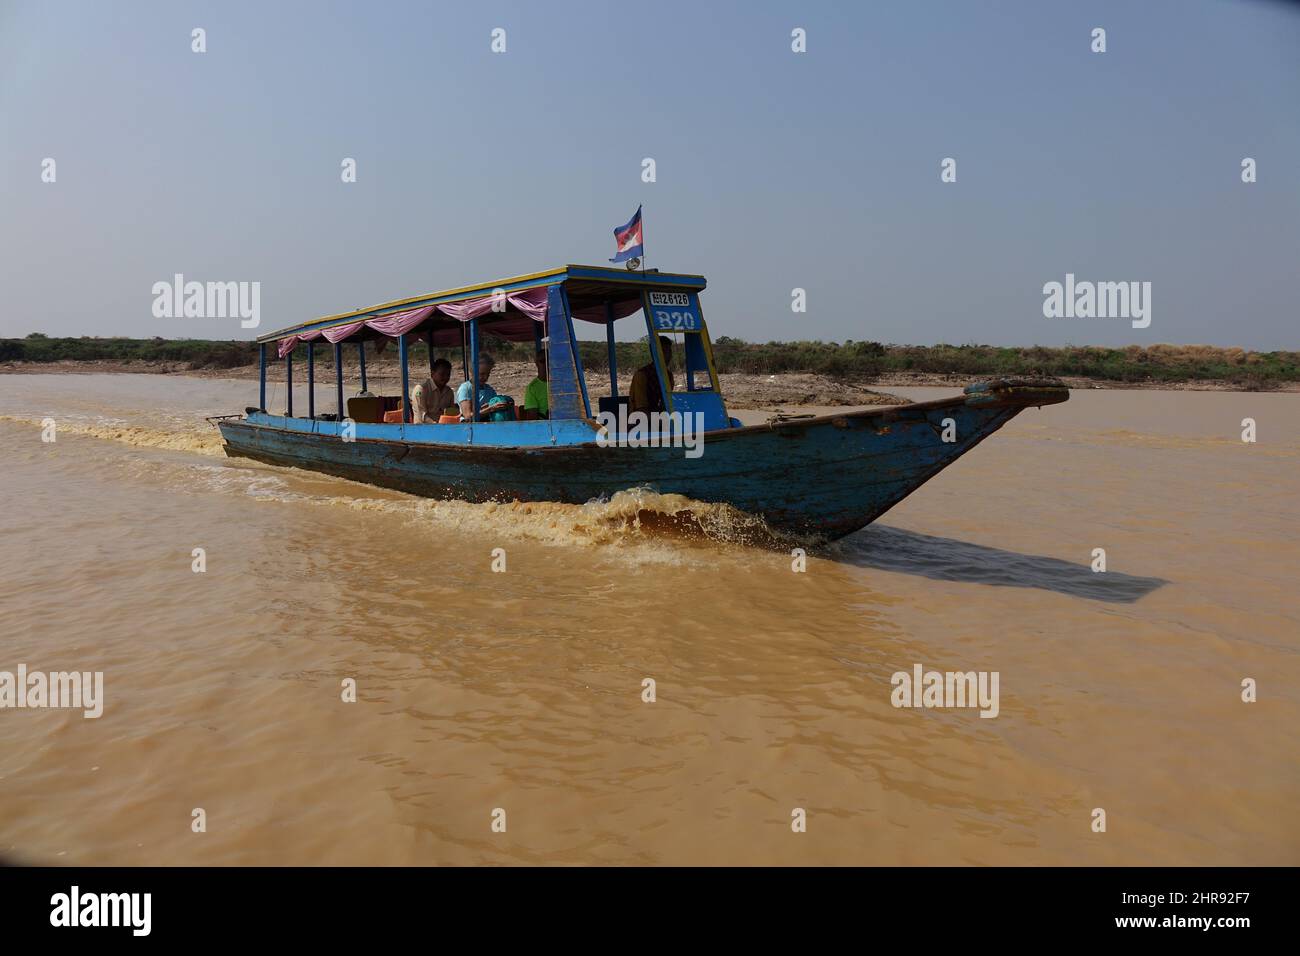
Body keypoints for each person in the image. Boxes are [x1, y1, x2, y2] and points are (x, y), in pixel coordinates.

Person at [628, 336, 675, 415]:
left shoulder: (668, 376)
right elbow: (641, 410)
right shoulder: (642, 375)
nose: (668, 355)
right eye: (664, 351)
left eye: (669, 351)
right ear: (654, 353)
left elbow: (666, 403)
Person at [456, 352, 498, 421]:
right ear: (472, 372)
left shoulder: (489, 390)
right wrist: (490, 409)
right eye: (481, 374)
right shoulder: (466, 388)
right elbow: (468, 416)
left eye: (488, 374)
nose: (485, 377)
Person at [411, 358, 455, 423]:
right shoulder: (421, 390)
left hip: (443, 428)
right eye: (442, 374)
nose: (445, 377)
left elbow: (451, 413)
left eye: (448, 375)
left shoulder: (449, 392)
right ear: (433, 373)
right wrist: (436, 425)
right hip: (423, 429)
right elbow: (422, 415)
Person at [521, 350, 548, 420]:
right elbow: (533, 418)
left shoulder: (560, 383)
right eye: (542, 361)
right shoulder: (532, 388)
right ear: (536, 363)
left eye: (548, 360)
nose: (546, 364)